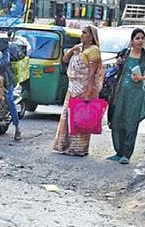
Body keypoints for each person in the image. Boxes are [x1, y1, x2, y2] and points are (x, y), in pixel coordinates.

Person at [107, 28, 145, 164]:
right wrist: (119, 63)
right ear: (132, 41)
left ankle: (126, 154)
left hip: (136, 94)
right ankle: (118, 151)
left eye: (142, 38)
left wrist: (141, 78)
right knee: (117, 121)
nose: (140, 41)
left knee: (131, 123)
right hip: (120, 92)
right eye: (137, 38)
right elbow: (118, 69)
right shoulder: (126, 53)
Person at [53, 24, 102, 156]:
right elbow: (64, 59)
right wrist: (72, 50)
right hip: (72, 88)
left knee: (81, 118)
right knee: (68, 117)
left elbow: (92, 73)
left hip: (84, 88)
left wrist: (89, 92)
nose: (82, 35)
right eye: (82, 32)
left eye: (85, 33)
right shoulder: (79, 48)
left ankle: (79, 148)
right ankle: (64, 145)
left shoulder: (93, 51)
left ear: (92, 36)